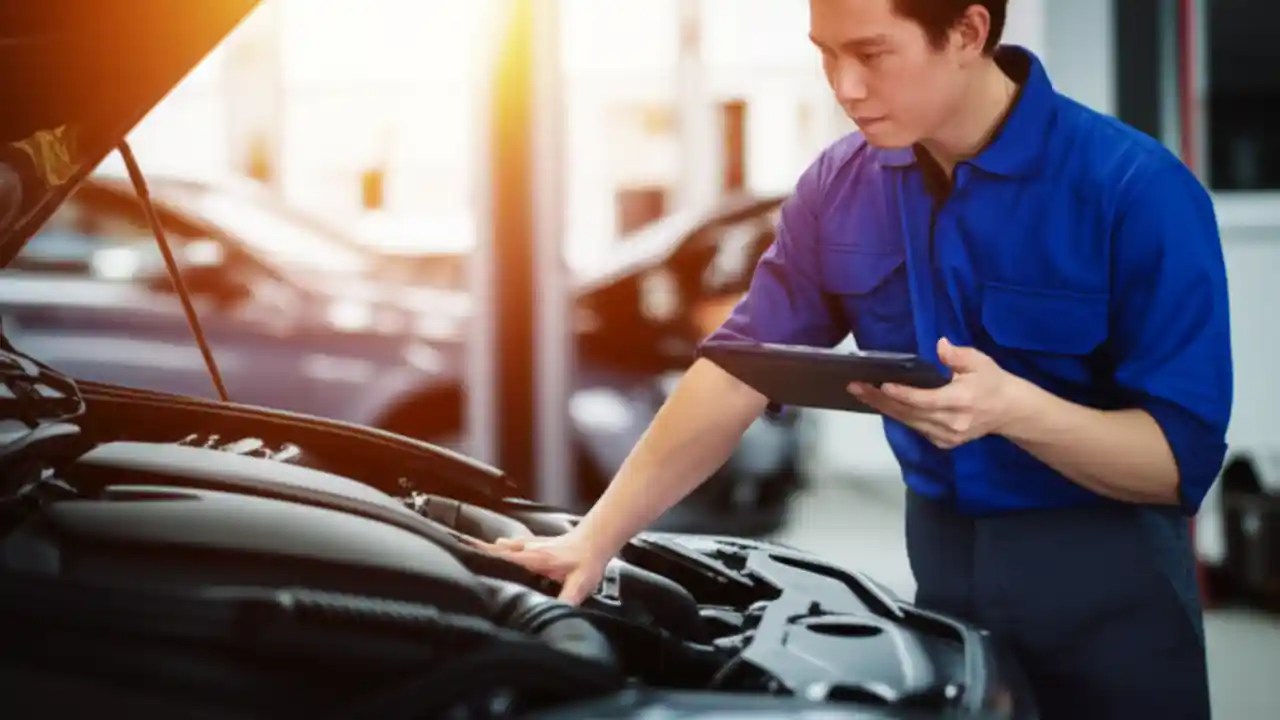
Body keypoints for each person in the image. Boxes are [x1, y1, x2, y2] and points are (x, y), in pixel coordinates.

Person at [476, 1, 1231, 717]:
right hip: (944, 575)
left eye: (871, 53)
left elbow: (1173, 463)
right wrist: (596, 537)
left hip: (1109, 582)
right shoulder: (840, 185)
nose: (845, 87)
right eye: (826, 55)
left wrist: (1014, 410)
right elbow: (737, 370)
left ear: (968, 31)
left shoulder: (1135, 190)